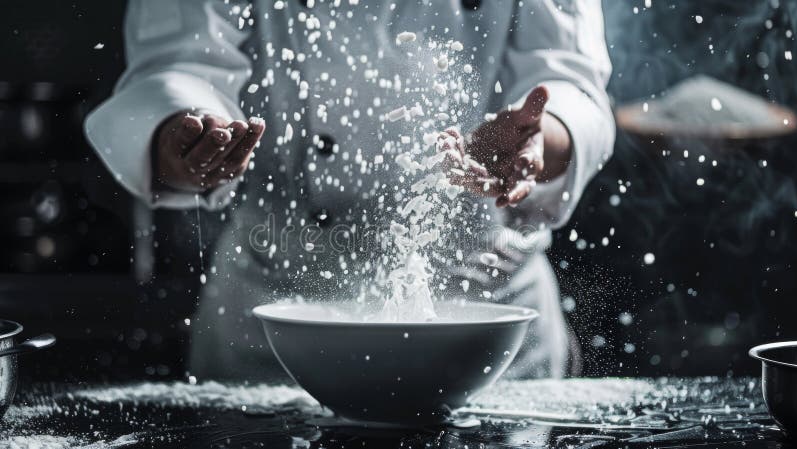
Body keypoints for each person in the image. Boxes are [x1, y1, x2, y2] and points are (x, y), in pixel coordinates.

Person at [85, 0, 614, 380]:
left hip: (481, 305)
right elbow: (177, 61)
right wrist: (189, 136)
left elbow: (568, 80)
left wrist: (536, 139)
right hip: (277, 311)